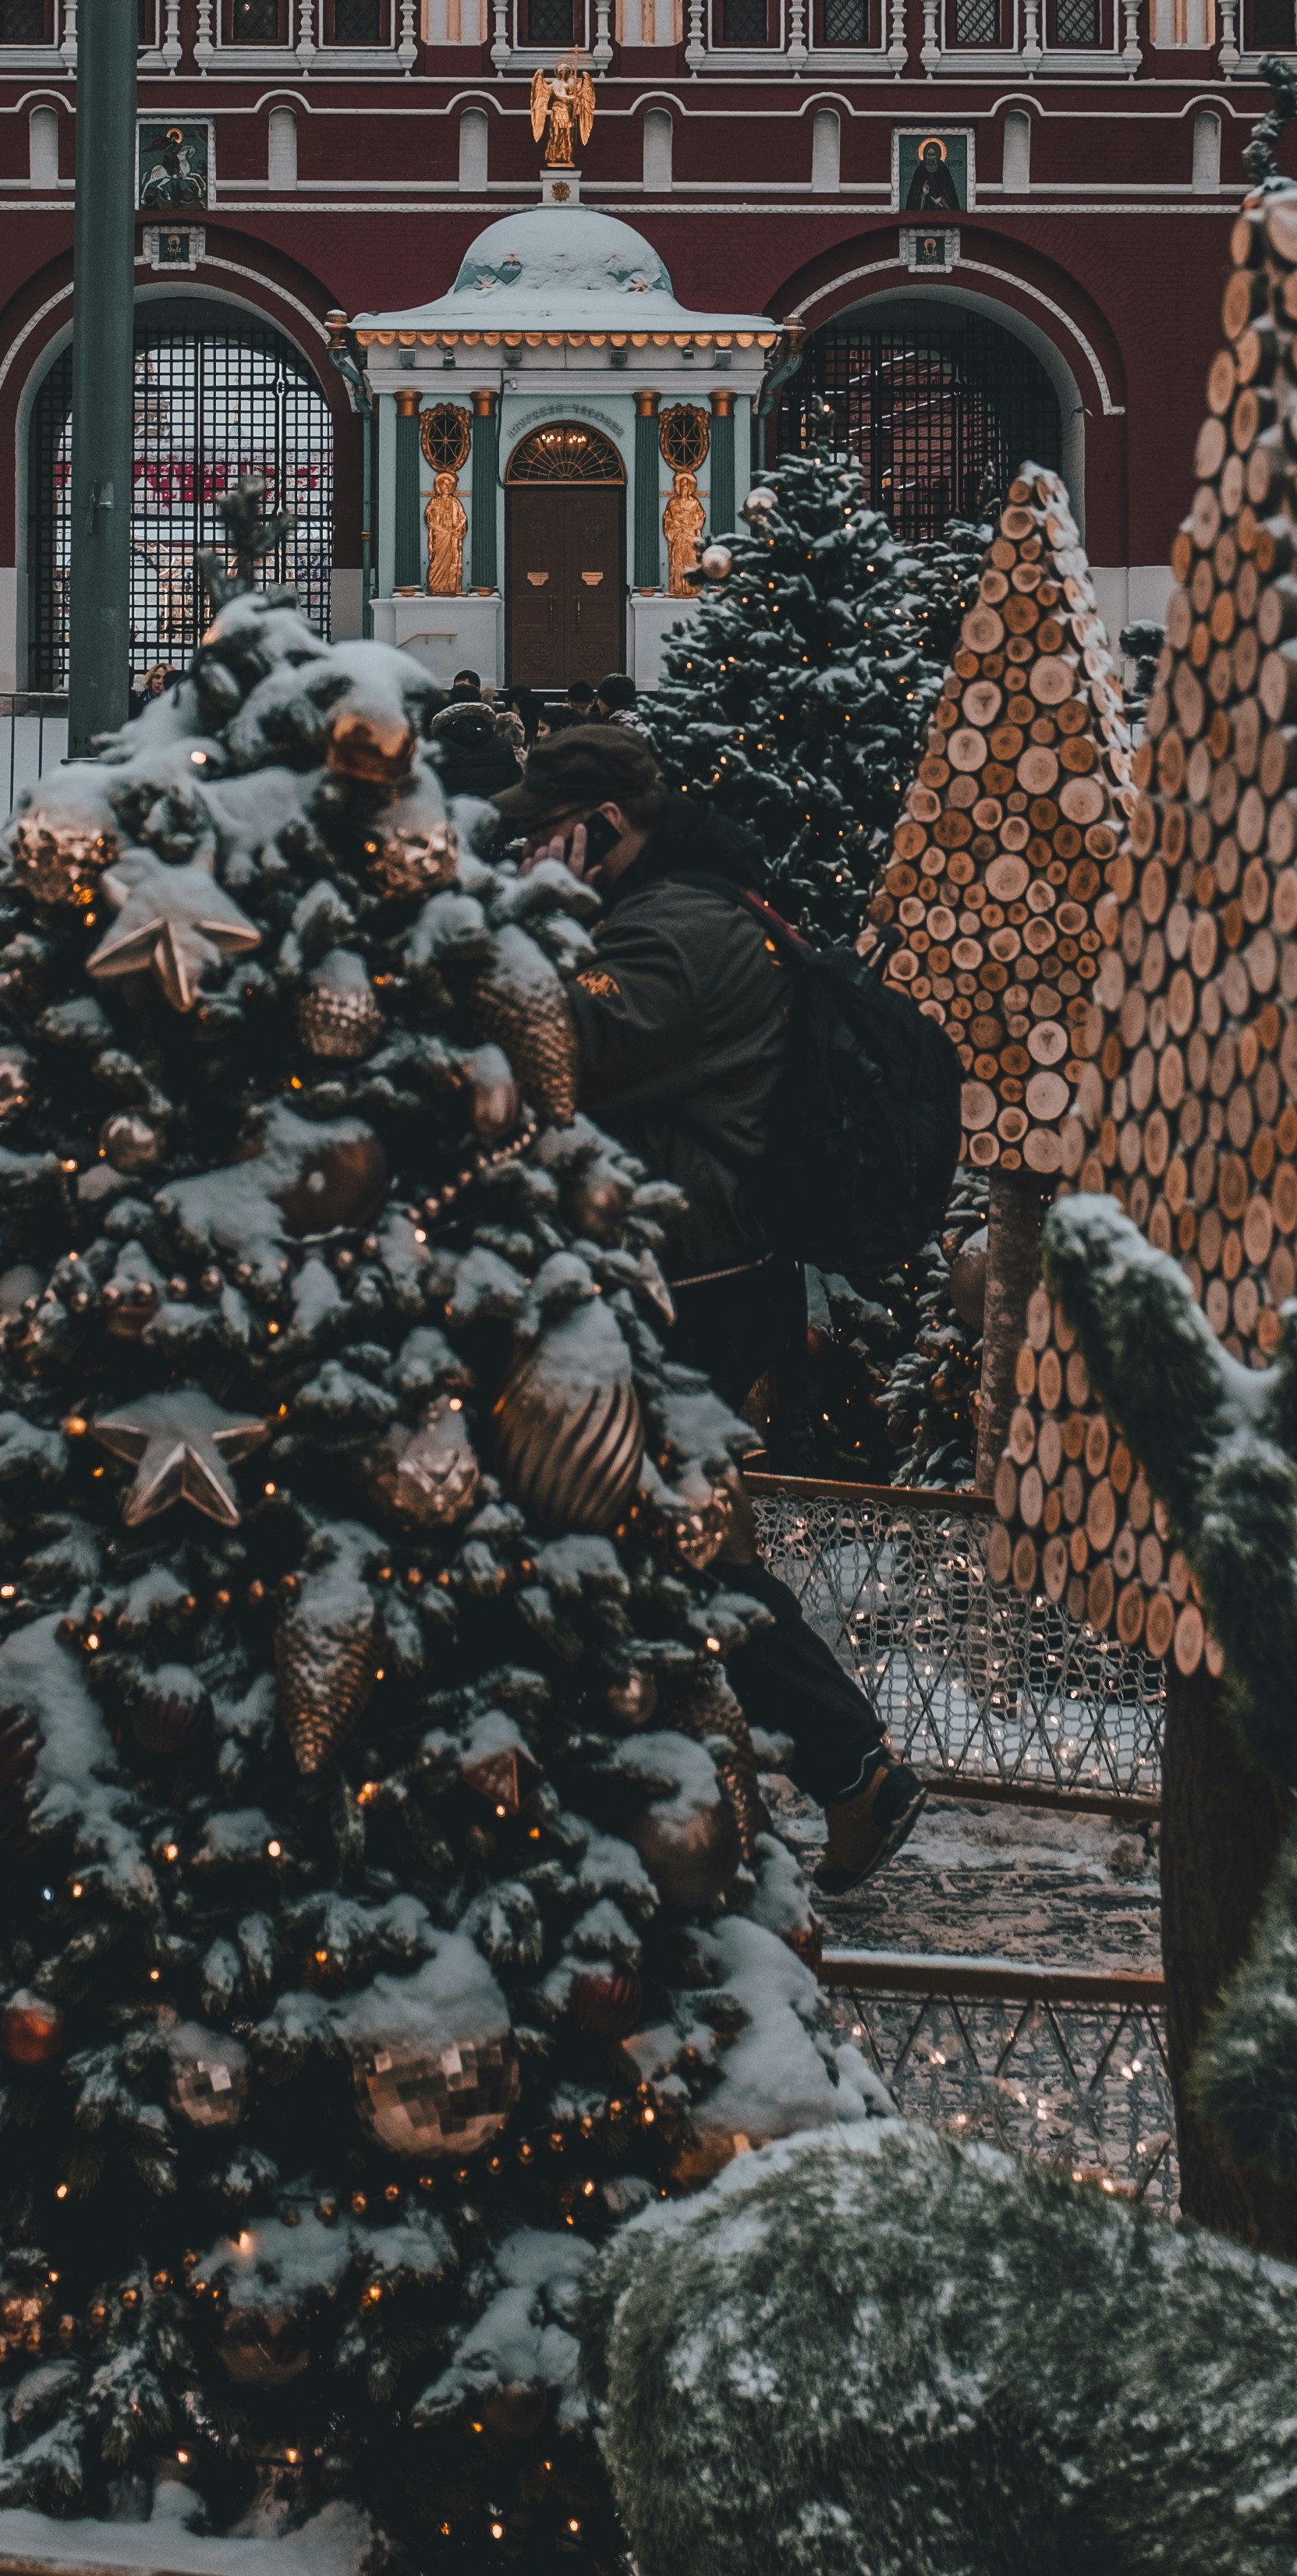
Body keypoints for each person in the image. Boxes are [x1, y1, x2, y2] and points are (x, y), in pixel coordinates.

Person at [493, 724, 923, 1891]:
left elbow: (560, 1044)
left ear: (605, 827)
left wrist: (513, 932)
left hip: (694, 1288)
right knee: (680, 1542)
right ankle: (824, 1771)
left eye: (544, 833)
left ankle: (838, 1769)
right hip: (694, 1279)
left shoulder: (679, 934)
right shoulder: (675, 909)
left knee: (661, 1543)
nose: (530, 852)